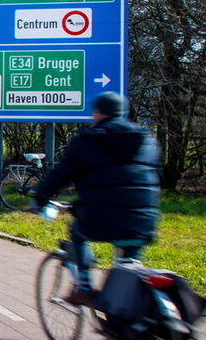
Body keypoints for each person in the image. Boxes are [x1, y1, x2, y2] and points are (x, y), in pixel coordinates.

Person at [33, 92, 161, 307]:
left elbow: (60, 175)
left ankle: (83, 286)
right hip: (143, 218)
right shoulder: (147, 140)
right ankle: (124, 305)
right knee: (129, 261)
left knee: (77, 232)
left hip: (99, 217)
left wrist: (40, 198)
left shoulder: (88, 140)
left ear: (98, 112)